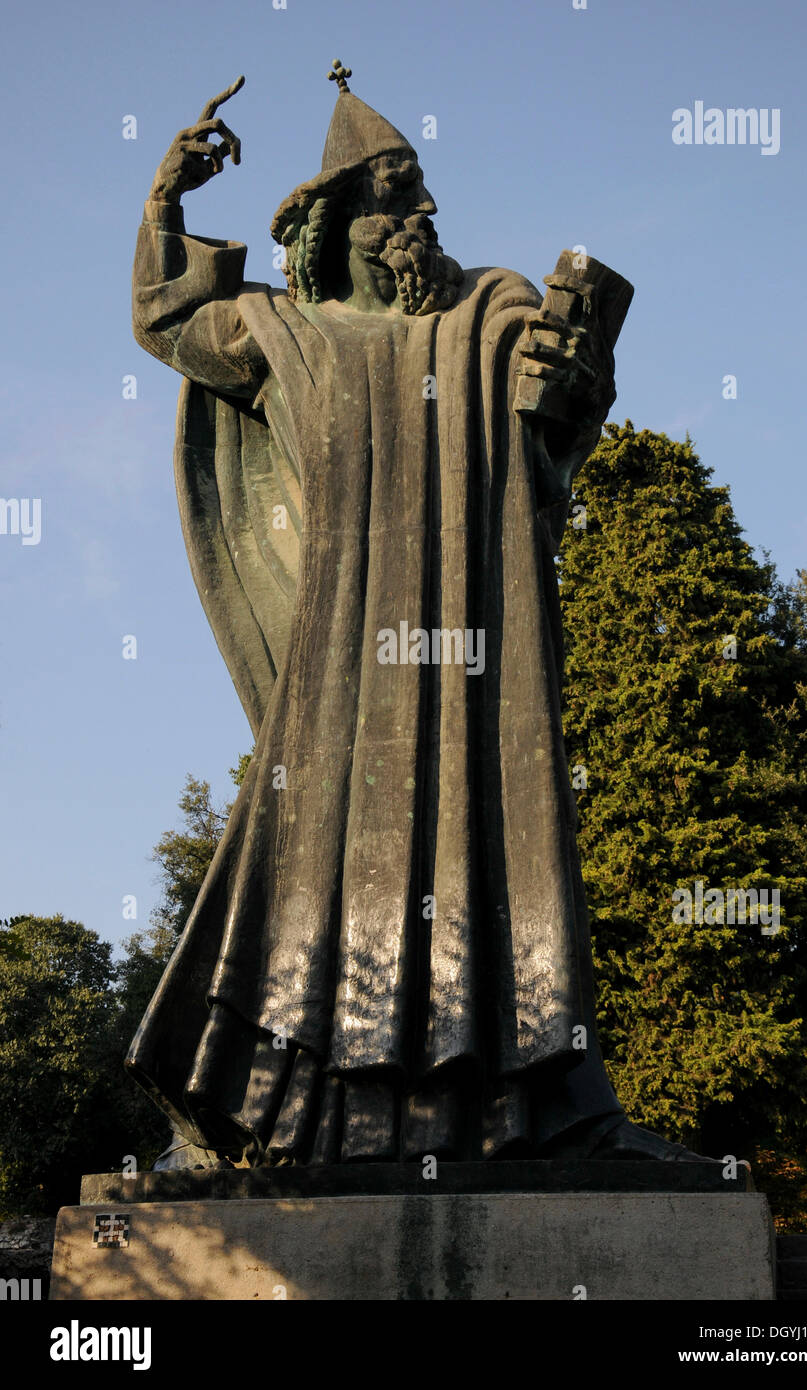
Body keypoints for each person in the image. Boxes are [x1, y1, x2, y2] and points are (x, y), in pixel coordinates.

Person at [128, 66, 707, 1167]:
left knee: (501, 841)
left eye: (423, 188)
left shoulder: (486, 309)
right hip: (343, 654)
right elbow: (165, 317)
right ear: (340, 215)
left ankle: (540, 1105)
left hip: (486, 646)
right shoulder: (284, 335)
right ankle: (280, 1115)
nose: (423, 213)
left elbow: (559, 410)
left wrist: (576, 365)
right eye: (397, 190)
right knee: (315, 854)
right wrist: (167, 197)